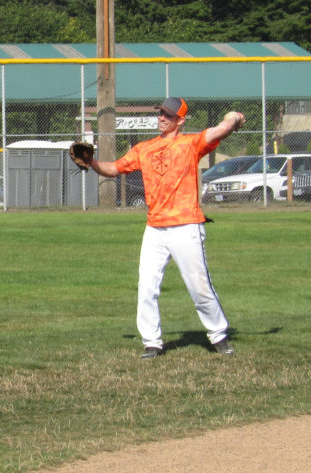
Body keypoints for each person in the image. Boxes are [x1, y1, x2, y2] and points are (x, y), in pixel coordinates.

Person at [86, 97, 244, 358]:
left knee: (199, 287)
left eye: (168, 115)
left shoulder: (191, 144)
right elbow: (113, 168)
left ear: (180, 120)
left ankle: (218, 335)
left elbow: (222, 129)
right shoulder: (144, 149)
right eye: (160, 113)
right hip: (155, 228)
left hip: (186, 224)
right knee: (146, 287)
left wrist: (235, 117)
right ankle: (152, 342)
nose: (162, 118)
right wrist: (91, 162)